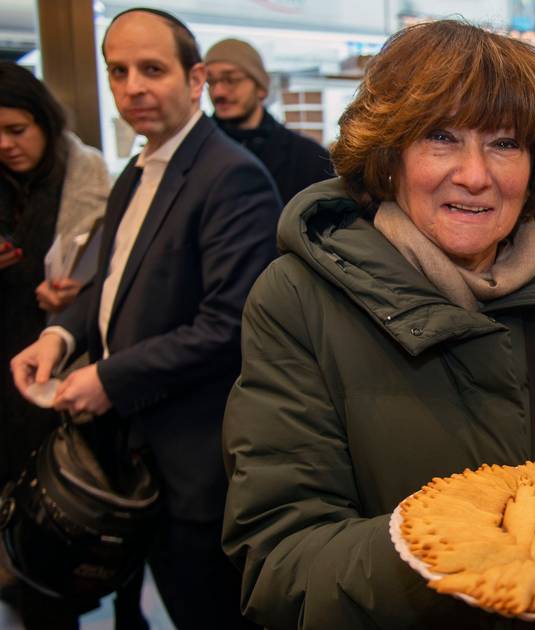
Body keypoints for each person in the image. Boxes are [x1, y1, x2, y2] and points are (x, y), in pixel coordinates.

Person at [221, 20, 535, 628]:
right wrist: (450, 552)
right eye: (441, 137)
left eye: (505, 143)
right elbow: (280, 564)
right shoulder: (297, 301)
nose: (475, 175)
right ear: (389, 155)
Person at [9, 8, 279, 629]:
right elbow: (110, 282)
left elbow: (230, 325)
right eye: (118, 71)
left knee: (205, 610)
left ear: (195, 80)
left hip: (195, 463)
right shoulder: (136, 170)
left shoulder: (231, 176)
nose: (132, 87)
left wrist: (108, 378)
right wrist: (58, 333)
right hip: (135, 450)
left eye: (151, 69)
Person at [0, 60, 110, 630]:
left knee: (59, 523)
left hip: (61, 368)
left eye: (17, 130)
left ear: (43, 120)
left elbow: (112, 275)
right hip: (5, 362)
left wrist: (68, 293)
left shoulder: (85, 175)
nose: (7, 145)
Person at [205, 38, 333, 205]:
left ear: (260, 88)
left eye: (231, 80)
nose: (218, 92)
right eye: (211, 82)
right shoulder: (194, 151)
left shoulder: (308, 158)